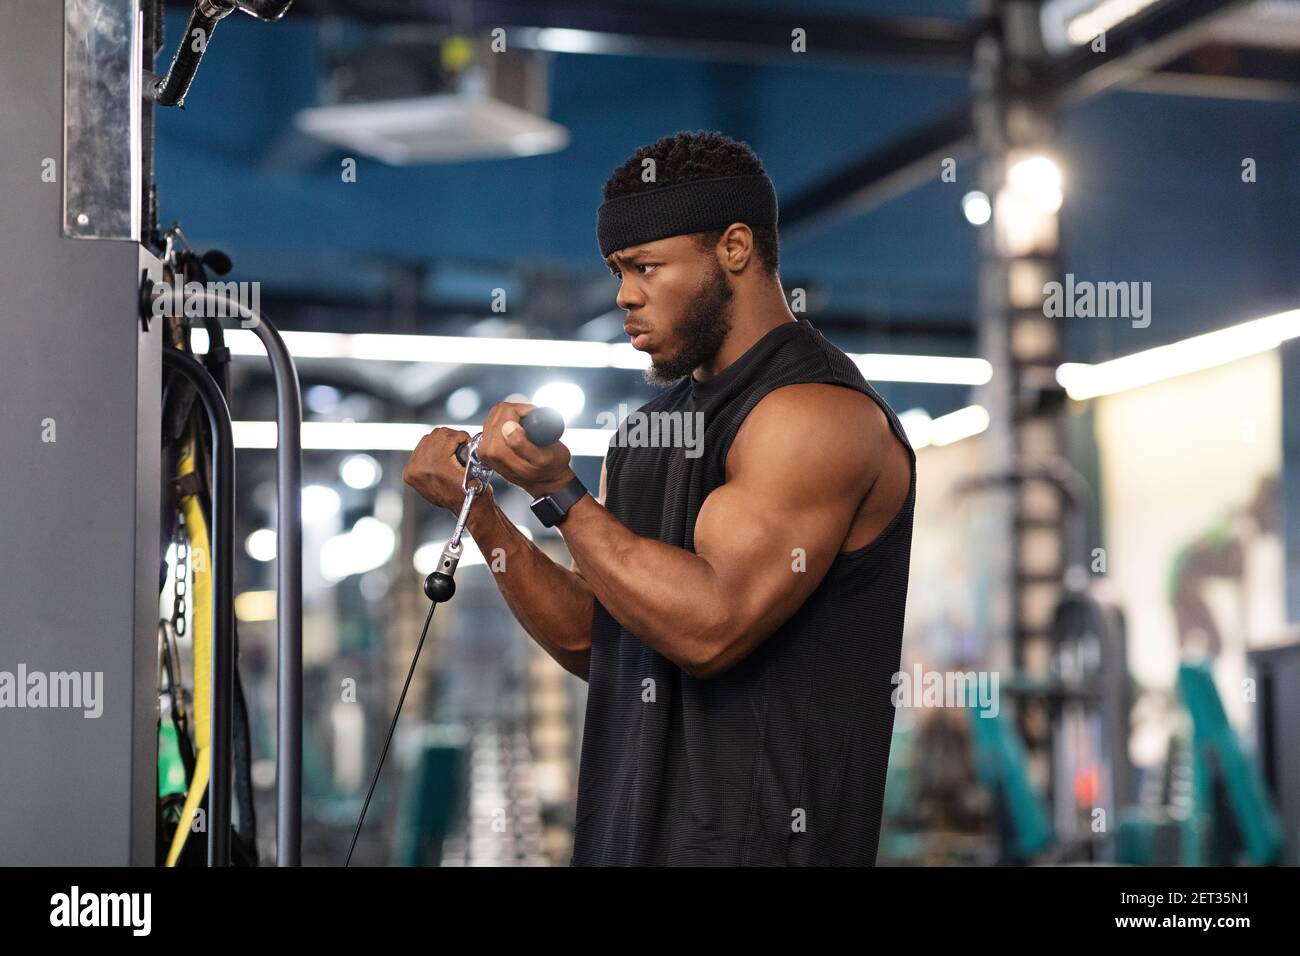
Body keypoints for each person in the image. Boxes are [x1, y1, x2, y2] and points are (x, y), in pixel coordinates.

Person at [404, 130, 916, 865]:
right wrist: (484, 515)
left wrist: (559, 491)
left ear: (734, 248)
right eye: (617, 269)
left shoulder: (815, 414)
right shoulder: (646, 434)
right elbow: (601, 638)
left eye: (646, 266)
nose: (623, 296)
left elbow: (711, 627)